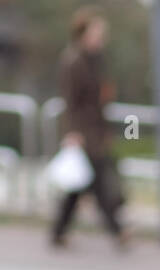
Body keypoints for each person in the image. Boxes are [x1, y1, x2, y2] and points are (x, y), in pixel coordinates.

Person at [50, 6, 127, 248]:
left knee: (79, 186)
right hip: (83, 133)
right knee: (99, 181)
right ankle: (117, 230)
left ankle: (58, 231)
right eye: (96, 33)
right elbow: (69, 100)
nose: (100, 38)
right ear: (83, 33)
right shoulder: (72, 61)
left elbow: (102, 98)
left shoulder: (97, 60)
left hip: (96, 130)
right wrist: (71, 133)